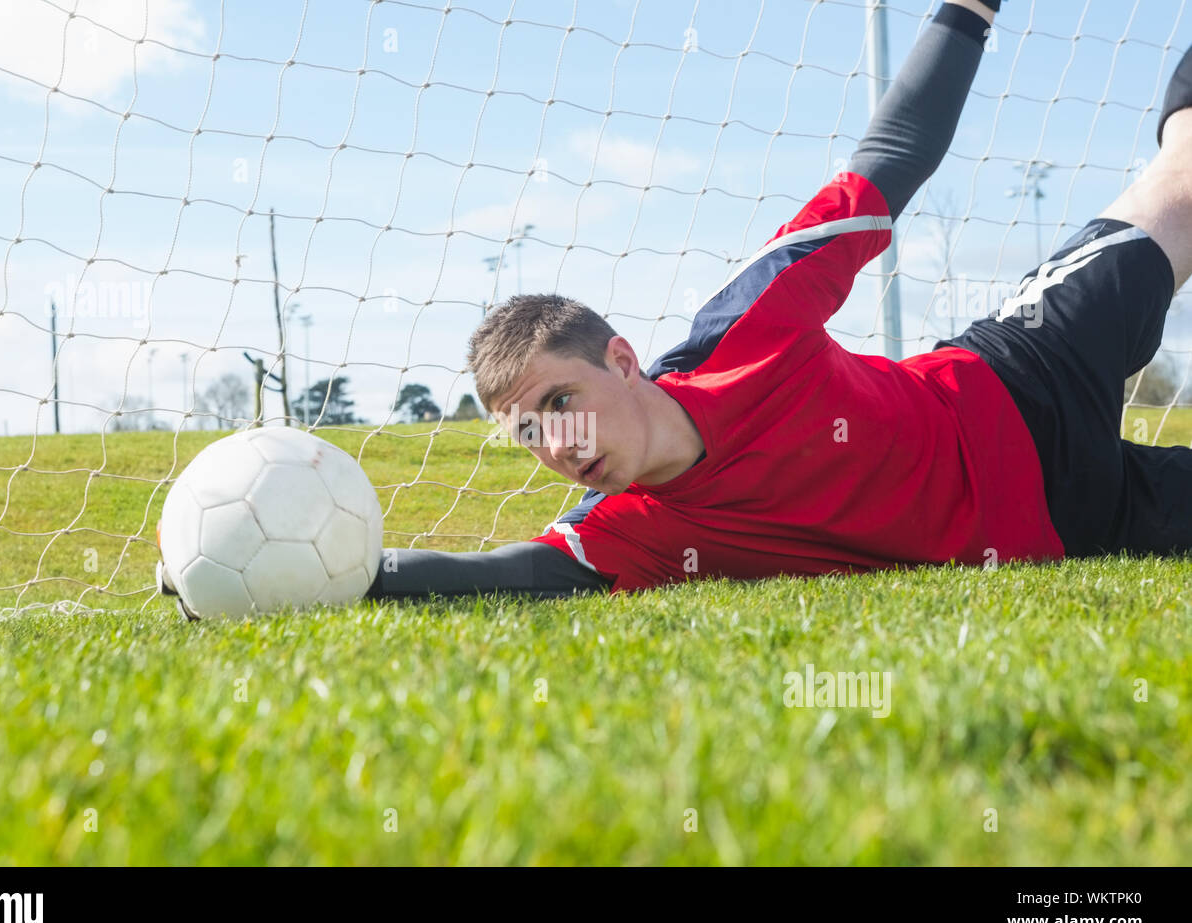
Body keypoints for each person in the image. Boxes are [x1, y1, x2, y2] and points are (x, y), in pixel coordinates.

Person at [164, 0, 1192, 611]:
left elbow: (887, 166)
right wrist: (279, 569)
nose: (556, 444)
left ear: (620, 357)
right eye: (528, 433)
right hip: (1067, 520)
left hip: (1017, 376)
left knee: (1184, 182)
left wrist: (964, 11)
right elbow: (493, 573)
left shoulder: (745, 327)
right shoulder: (626, 535)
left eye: (558, 401)